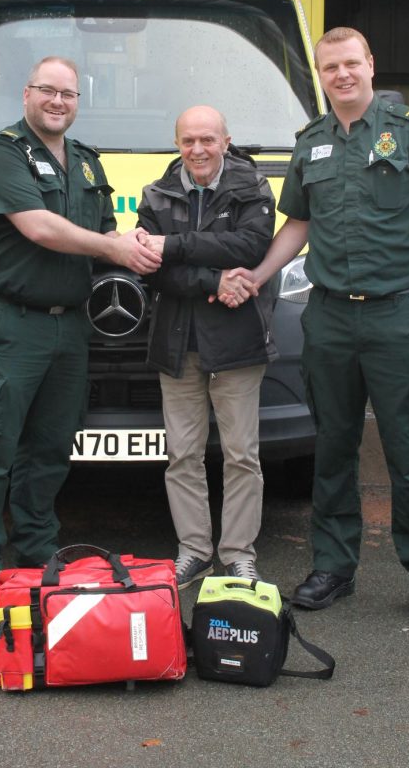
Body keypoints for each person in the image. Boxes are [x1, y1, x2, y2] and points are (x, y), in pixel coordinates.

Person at [221, 27, 409, 628]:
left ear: (371, 66)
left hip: (397, 313)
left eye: (351, 64)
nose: (343, 75)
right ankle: (334, 566)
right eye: (331, 67)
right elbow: (297, 226)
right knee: (332, 447)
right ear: (320, 75)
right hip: (329, 317)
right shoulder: (311, 143)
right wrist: (256, 275)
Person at [0, 56, 161, 578]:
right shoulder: (1, 154)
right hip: (11, 323)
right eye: (48, 91)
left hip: (70, 327)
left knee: (50, 449)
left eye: (68, 95)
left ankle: (36, 555)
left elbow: (105, 236)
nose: (57, 102)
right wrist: (115, 251)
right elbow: (41, 228)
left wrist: (132, 242)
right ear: (26, 94)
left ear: (77, 103)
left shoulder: (88, 164)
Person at [137, 105, 276, 588]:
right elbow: (153, 271)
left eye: (207, 140)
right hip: (177, 344)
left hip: (236, 342)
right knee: (182, 455)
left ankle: (238, 553)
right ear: (177, 144)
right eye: (188, 141)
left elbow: (252, 248)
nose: (198, 150)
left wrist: (173, 245)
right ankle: (194, 551)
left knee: (242, 455)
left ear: (225, 140)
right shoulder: (155, 194)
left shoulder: (252, 187)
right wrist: (216, 277)